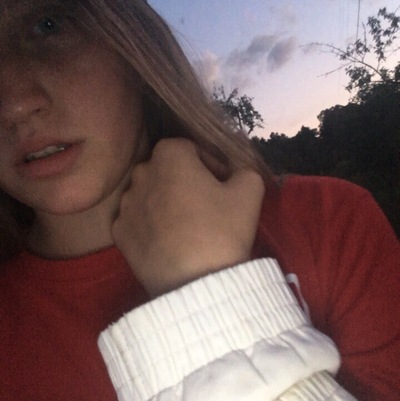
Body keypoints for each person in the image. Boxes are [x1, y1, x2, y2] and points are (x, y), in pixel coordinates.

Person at [0, 0, 398, 400]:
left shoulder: (329, 224)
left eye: (49, 25)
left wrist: (202, 286)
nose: (14, 105)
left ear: (132, 44)